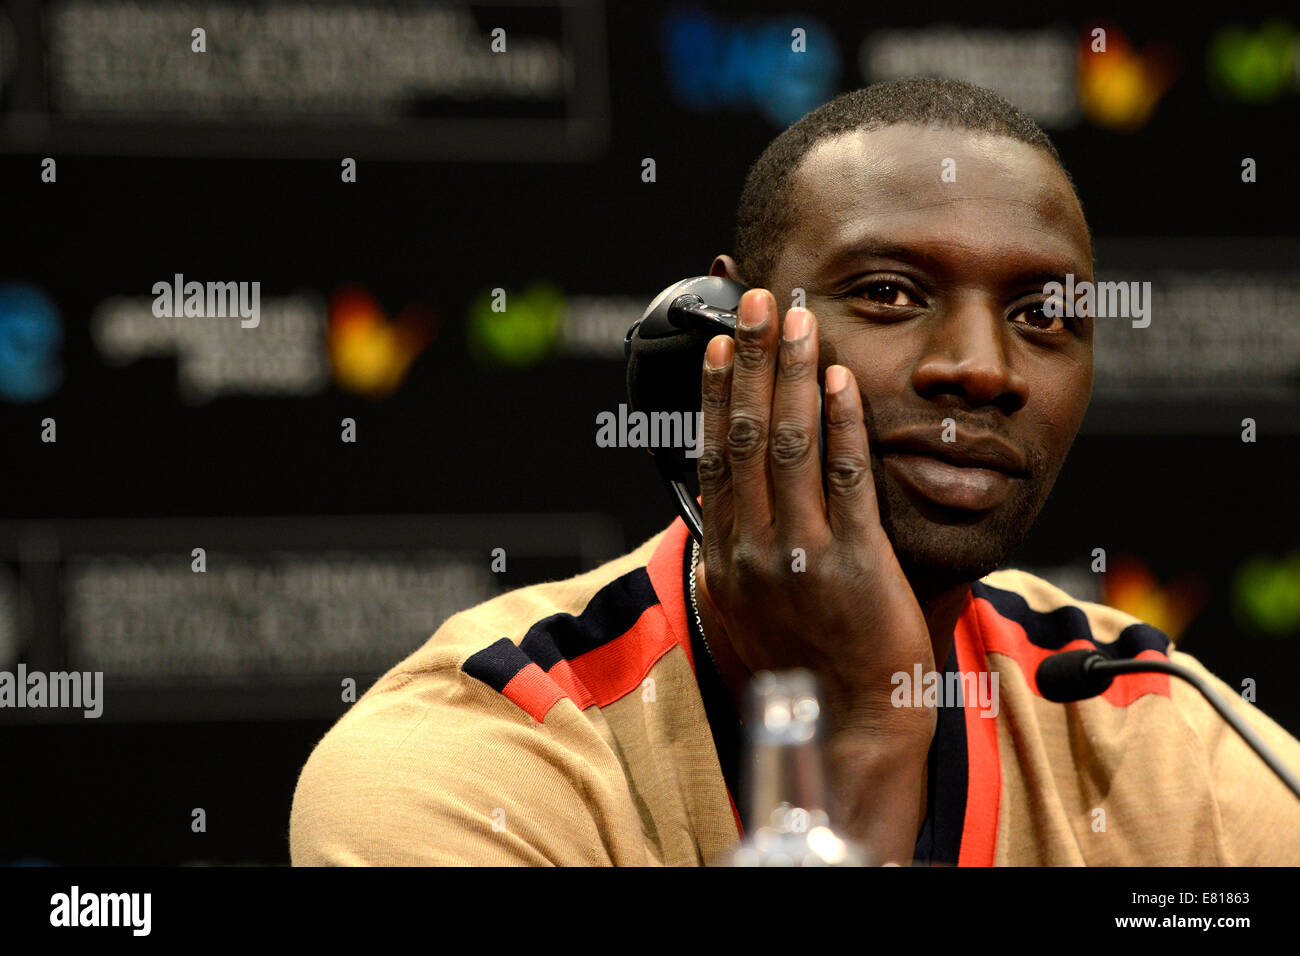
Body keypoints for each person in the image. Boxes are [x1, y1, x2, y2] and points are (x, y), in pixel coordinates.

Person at [289, 78, 1300, 865]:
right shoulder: (472, 762)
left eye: (1043, 315)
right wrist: (860, 732)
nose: (985, 368)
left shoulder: (1152, 722)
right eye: (892, 292)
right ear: (729, 337)